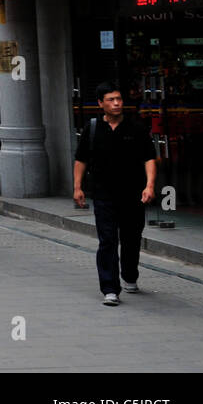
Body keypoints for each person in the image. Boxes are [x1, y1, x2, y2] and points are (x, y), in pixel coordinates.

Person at [75, 83, 157, 306]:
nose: (117, 103)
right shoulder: (92, 129)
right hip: (103, 194)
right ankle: (110, 288)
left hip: (133, 195)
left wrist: (149, 186)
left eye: (119, 99)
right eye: (111, 99)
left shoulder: (136, 128)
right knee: (108, 240)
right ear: (101, 103)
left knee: (131, 238)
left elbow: (149, 158)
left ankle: (130, 276)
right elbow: (81, 159)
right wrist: (77, 187)